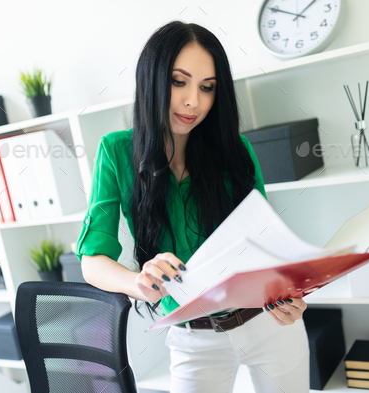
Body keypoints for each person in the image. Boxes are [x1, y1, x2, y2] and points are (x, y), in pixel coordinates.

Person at [75, 20, 310, 393]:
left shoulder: (236, 151)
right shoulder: (116, 151)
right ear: (151, 80)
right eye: (178, 81)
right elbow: (92, 261)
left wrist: (289, 295)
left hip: (268, 326)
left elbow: (265, 246)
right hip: (193, 338)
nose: (193, 102)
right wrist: (138, 283)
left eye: (207, 88)